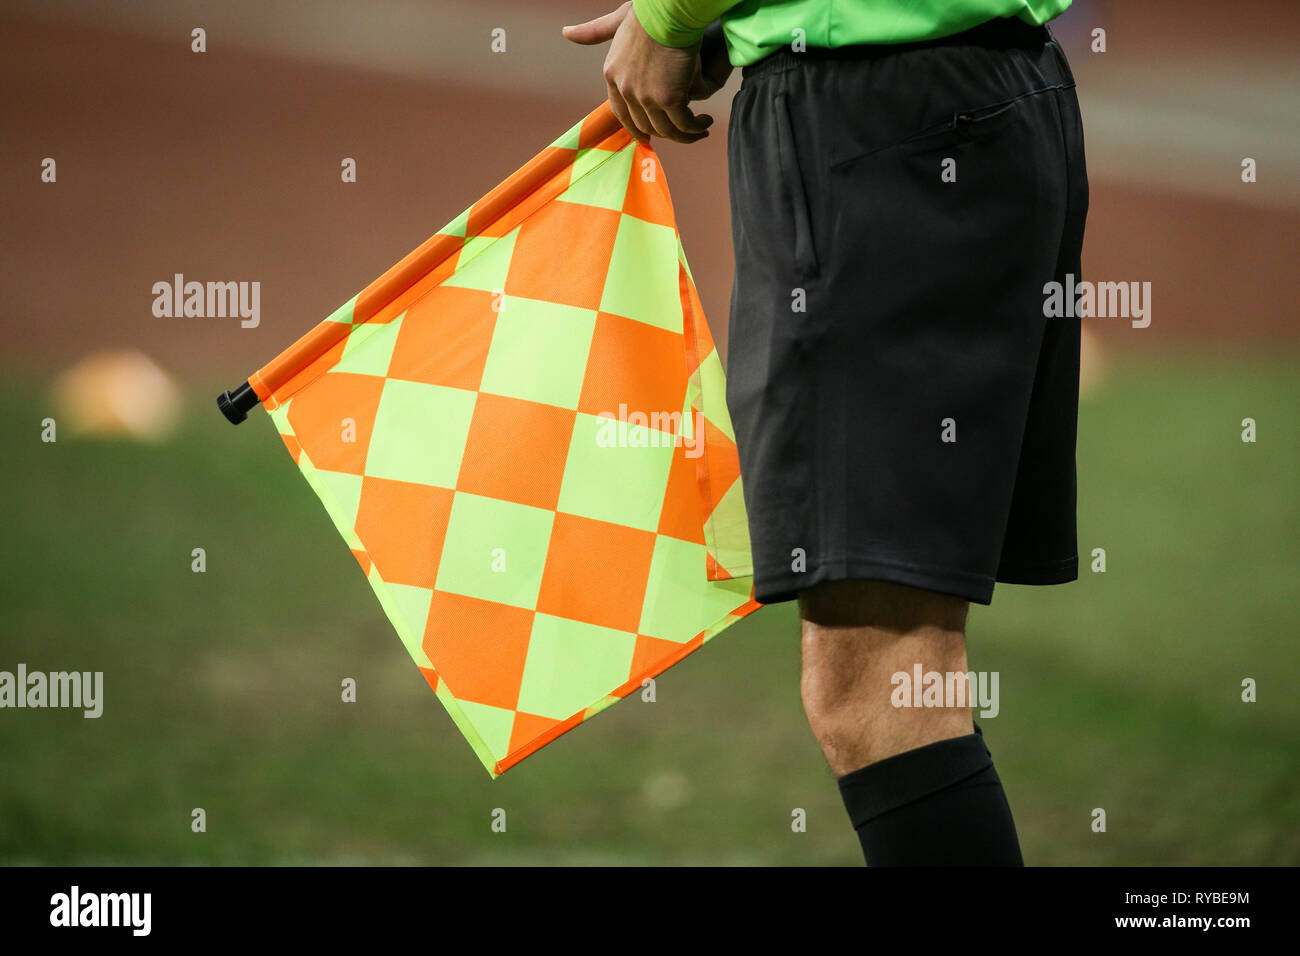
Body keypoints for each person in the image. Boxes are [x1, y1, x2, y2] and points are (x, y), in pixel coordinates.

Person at [564, 0, 1087, 866]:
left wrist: (673, 15)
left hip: (875, 125)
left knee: (876, 683)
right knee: (902, 665)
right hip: (991, 94)